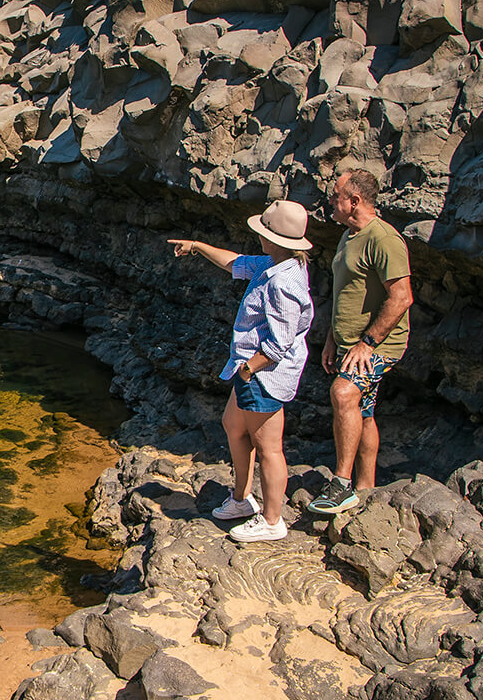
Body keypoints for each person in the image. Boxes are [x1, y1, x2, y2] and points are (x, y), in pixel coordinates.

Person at [168, 200, 315, 542]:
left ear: (275, 239)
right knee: (233, 426)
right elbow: (235, 262)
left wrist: (249, 370)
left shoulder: (283, 282)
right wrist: (197, 247)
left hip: (263, 375)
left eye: (263, 232)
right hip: (249, 371)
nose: (258, 237)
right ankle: (241, 499)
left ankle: (272, 520)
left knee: (269, 448)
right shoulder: (274, 264)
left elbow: (280, 344)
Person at [307, 170, 414, 514]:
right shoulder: (349, 235)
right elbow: (345, 295)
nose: (330, 202)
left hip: (378, 345)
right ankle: (366, 488)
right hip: (348, 342)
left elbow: (402, 298)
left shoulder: (384, 239)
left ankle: (341, 484)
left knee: (343, 393)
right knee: (363, 412)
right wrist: (331, 340)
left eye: (335, 196)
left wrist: (367, 343)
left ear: (354, 201)